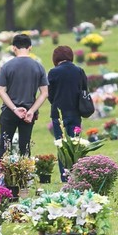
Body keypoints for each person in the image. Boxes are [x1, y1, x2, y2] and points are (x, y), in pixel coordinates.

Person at [0, 33, 48, 158]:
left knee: (4, 148)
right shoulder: (38, 67)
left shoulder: (7, 66)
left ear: (14, 48)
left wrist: (14, 109)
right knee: (25, 148)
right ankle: (26, 177)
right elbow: (44, 93)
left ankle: (1, 176)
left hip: (9, 111)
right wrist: (31, 111)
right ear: (30, 47)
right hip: (28, 113)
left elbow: (1, 91)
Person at [47, 45, 86, 180]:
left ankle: (65, 176)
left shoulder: (53, 72)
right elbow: (84, 90)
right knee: (76, 144)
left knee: (61, 145)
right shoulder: (79, 71)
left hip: (58, 114)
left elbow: (49, 94)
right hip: (75, 112)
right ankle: (77, 174)